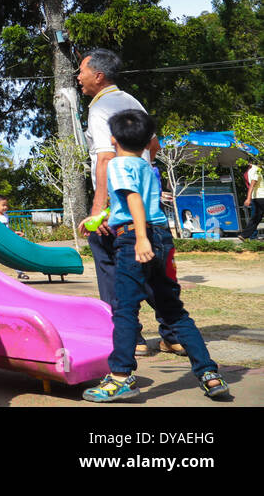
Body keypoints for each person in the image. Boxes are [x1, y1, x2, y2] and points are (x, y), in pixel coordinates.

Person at [83, 109, 229, 402]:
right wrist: (103, 218)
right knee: (173, 310)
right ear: (149, 140)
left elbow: (134, 200)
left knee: (125, 310)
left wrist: (138, 238)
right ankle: (209, 375)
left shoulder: (117, 164)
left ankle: (121, 376)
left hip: (135, 239)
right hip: (161, 237)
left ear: (113, 139)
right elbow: (137, 202)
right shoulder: (147, 167)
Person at [76, 48, 182, 357]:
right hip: (147, 205)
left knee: (112, 271)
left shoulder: (99, 109)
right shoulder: (133, 102)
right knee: (153, 269)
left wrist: (98, 211)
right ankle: (172, 334)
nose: (78, 77)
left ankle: (131, 337)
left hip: (116, 204)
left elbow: (105, 159)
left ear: (99, 75)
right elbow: (155, 145)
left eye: (82, 71)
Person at [0, 195, 31, 280]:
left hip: (7, 240)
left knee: (13, 255)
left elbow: (7, 227)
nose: (5, 207)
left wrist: (14, 232)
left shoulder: (5, 216)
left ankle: (20, 272)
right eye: (3, 205)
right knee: (0, 256)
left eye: (6, 205)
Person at [242, 164, 264, 240]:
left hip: (257, 197)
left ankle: (244, 235)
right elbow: (252, 185)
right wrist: (248, 198)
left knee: (256, 218)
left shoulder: (250, 171)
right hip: (261, 196)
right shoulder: (256, 170)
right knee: (255, 218)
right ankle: (246, 235)